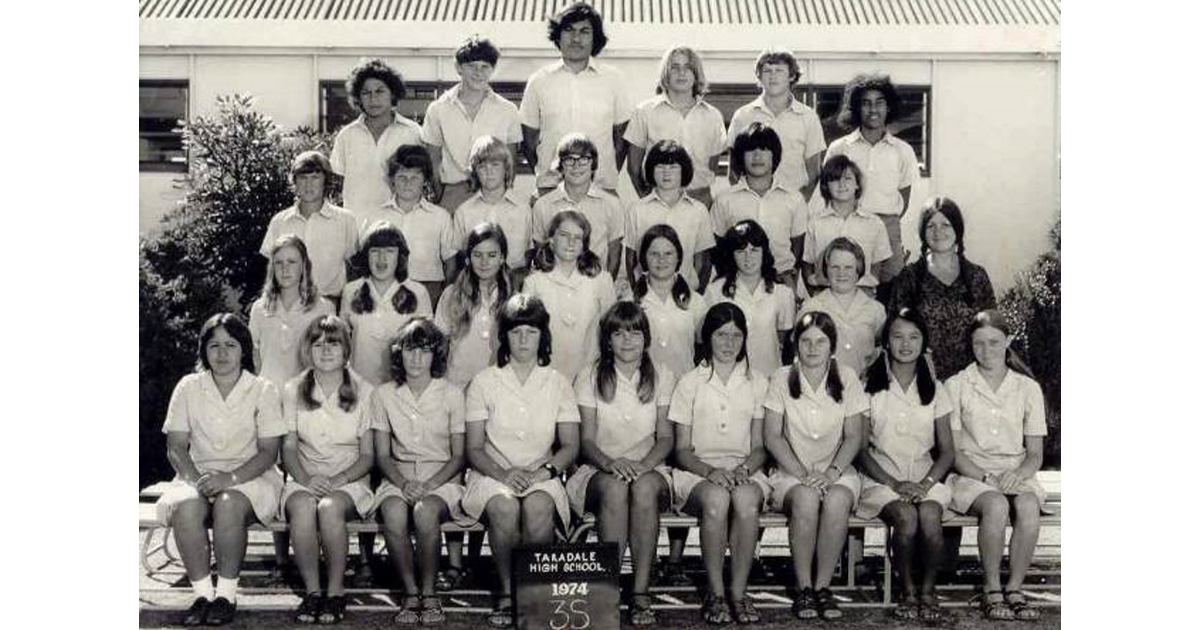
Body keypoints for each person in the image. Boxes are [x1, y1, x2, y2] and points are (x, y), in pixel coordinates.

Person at [156, 313, 286, 626]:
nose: (223, 353)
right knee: (185, 507)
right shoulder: (188, 386)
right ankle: (202, 595)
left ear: (244, 350)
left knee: (228, 505)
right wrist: (195, 480)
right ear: (204, 351)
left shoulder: (262, 389)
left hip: (251, 479)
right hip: (197, 476)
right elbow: (176, 446)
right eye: (214, 346)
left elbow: (269, 453)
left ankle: (226, 596)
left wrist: (228, 479)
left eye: (231, 345)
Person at [461, 295, 581, 628]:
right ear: (505, 336)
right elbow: (474, 448)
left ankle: (533, 594)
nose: (524, 340)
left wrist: (544, 472)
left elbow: (570, 446)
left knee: (538, 507)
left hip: (542, 475)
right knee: (504, 507)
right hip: (491, 475)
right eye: (516, 332)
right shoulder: (484, 381)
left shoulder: (558, 382)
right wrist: (504, 474)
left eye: (532, 331)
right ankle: (507, 593)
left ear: (544, 336)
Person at [568, 302, 676, 626]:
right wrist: (611, 463)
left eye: (635, 332)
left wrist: (643, 466)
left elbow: (666, 438)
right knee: (616, 490)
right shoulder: (588, 375)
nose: (627, 341)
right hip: (599, 470)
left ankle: (640, 592)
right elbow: (585, 442)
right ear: (608, 340)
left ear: (646, 338)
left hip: (650, 468)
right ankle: (609, 590)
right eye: (618, 333)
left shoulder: (663, 375)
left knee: (642, 489)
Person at [668, 302, 770, 625]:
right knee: (716, 499)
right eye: (721, 335)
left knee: (746, 499)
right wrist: (710, 472)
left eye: (736, 336)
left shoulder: (758, 382)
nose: (729, 343)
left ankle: (738, 592)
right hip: (697, 473)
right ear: (707, 337)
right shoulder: (690, 382)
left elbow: (759, 447)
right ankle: (715, 592)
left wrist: (742, 471)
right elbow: (682, 450)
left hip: (744, 471)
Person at [762, 311, 867, 621]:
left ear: (832, 347)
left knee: (836, 501)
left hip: (837, 471)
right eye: (806, 341)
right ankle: (804, 588)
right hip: (792, 472)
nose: (812, 348)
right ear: (796, 344)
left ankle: (823, 587)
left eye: (820, 342)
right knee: (807, 500)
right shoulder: (782, 377)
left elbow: (853, 437)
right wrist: (804, 474)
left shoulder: (847, 378)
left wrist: (831, 474)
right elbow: (772, 436)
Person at [945, 310, 1048, 622]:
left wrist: (1017, 476)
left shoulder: (1027, 388)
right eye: (979, 344)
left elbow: (1034, 454)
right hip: (970, 474)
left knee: (1028, 506)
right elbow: (954, 451)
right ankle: (991, 588)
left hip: (1016, 472)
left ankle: (1014, 589)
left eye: (994, 342)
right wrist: (987, 477)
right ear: (970, 345)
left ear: (1008, 341)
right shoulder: (957, 385)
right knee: (996, 505)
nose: (986, 351)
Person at [370, 318, 472, 625]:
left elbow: (458, 456)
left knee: (425, 512)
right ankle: (410, 592)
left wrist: (428, 485)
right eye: (410, 350)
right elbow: (383, 455)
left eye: (425, 351)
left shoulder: (452, 394)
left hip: (441, 479)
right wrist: (403, 483)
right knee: (393, 513)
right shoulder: (383, 394)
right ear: (399, 353)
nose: (416, 358)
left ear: (436, 356)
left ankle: (430, 594)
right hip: (397, 478)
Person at [855, 308, 955, 622]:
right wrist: (894, 484)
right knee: (905, 516)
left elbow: (948, 452)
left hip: (925, 478)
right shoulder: (868, 387)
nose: (905, 344)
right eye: (897, 336)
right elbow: (860, 450)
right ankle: (907, 591)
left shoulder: (936, 389)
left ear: (924, 344)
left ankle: (928, 591)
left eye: (913, 337)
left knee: (929, 515)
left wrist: (925, 485)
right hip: (881, 479)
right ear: (885, 342)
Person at [280, 315, 375, 625]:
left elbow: (368, 455)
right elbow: (290, 448)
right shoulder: (293, 388)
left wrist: (338, 480)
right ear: (307, 350)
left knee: (330, 508)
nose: (325, 350)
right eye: (317, 344)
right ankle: (312, 593)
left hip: (349, 479)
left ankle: (335, 592)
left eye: (333, 343)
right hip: (305, 476)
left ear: (346, 349)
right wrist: (306, 479)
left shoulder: (365, 390)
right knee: (302, 508)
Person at [520, 1, 633, 195]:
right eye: (569, 30)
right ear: (558, 35)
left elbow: (621, 140)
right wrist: (545, 177)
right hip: (551, 190)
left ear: (594, 38)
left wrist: (603, 175)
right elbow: (528, 141)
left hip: (601, 189)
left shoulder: (614, 79)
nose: (576, 38)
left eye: (584, 31)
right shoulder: (539, 80)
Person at [825, 73, 919, 290]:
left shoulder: (902, 150)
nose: (873, 109)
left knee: (890, 292)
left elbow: (903, 200)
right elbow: (829, 194)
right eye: (866, 103)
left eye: (879, 103)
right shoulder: (840, 148)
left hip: (888, 229)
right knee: (848, 288)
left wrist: (881, 224)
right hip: (848, 226)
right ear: (856, 108)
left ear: (889, 108)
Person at [888, 196, 996, 378]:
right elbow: (894, 329)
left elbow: (991, 329)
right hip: (923, 378)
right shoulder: (910, 278)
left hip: (970, 380)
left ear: (957, 229)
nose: (938, 232)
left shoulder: (976, 276)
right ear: (923, 232)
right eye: (931, 226)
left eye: (946, 225)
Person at [422, 36, 522, 214]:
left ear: (493, 69)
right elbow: (432, 160)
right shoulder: (437, 109)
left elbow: (510, 162)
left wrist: (500, 194)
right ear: (459, 68)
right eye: (472, 66)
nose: (478, 72)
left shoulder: (508, 110)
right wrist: (441, 196)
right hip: (452, 194)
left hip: (493, 196)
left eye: (485, 67)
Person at [624, 45, 726, 208]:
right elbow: (634, 167)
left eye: (688, 67)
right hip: (659, 200)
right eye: (675, 67)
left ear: (696, 74)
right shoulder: (644, 112)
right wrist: (647, 198)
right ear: (666, 73)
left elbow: (712, 166)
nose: (681, 73)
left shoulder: (712, 115)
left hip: (700, 201)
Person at [358, 145, 459, 306]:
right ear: (392, 180)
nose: (408, 183)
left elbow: (451, 264)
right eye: (401, 177)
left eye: (414, 178)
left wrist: (442, 300)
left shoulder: (440, 217)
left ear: (425, 180)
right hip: (384, 289)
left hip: (428, 289)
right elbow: (362, 259)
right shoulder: (375, 216)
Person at [711, 123, 808, 291]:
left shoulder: (794, 199)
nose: (757, 156)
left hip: (781, 281)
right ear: (741, 157)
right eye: (750, 150)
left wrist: (789, 278)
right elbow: (716, 246)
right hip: (738, 282)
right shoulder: (725, 200)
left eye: (764, 149)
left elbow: (798, 247)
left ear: (775, 156)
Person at [523, 210, 618, 380]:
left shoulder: (602, 280)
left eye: (578, 238)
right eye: (564, 235)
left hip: (590, 376)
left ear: (584, 245)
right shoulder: (534, 283)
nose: (571, 242)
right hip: (546, 375)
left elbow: (611, 333)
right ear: (551, 240)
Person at [260, 151, 359, 308]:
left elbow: (354, 269)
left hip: (331, 305)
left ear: (325, 181)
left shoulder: (346, 220)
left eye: (315, 178)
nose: (308, 184)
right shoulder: (279, 221)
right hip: (289, 306)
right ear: (295, 182)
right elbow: (271, 270)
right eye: (303, 178)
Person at [339, 221, 432, 386]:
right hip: (359, 386)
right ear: (366, 255)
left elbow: (426, 349)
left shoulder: (418, 292)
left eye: (389, 251)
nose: (381, 259)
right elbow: (342, 344)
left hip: (401, 388)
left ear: (400, 256)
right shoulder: (350, 291)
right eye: (375, 251)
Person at [726, 49, 826, 201]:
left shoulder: (808, 117)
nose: (773, 76)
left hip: (793, 206)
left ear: (792, 76)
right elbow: (733, 171)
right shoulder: (743, 116)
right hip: (751, 204)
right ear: (759, 76)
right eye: (767, 71)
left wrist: (798, 204)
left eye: (779, 70)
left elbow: (814, 173)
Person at [332, 58, 423, 220]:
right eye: (366, 93)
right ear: (358, 97)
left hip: (401, 226)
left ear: (392, 93)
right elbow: (337, 184)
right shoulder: (346, 136)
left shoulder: (413, 133)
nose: (373, 99)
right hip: (357, 227)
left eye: (380, 91)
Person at [706, 220, 796, 378]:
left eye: (754, 250)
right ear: (732, 254)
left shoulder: (782, 293)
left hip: (769, 376)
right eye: (741, 251)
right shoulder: (715, 291)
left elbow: (782, 339)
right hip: (727, 379)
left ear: (764, 252)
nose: (748, 258)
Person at [624, 140, 715, 292]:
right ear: (651, 170)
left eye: (673, 167)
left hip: (686, 295)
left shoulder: (698, 211)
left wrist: (693, 296)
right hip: (648, 296)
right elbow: (630, 260)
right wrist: (639, 294)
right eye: (660, 166)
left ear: (684, 171)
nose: (666, 172)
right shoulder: (636, 209)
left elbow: (703, 262)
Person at [250, 234, 337, 392]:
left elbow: (331, 358)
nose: (285, 269)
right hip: (269, 398)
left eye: (292, 262)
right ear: (272, 268)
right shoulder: (259, 308)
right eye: (279, 263)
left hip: (307, 397)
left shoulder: (323, 308)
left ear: (303, 266)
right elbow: (254, 355)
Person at [530, 133, 624, 278]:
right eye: (569, 160)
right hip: (555, 286)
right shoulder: (543, 205)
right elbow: (540, 252)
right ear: (560, 165)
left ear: (594, 164)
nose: (576, 166)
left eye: (584, 159)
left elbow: (615, 253)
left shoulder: (611, 204)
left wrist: (605, 289)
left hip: (595, 286)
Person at [436, 222, 515, 389]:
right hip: (457, 383)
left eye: (492, 255)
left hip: (498, 386)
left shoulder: (512, 297)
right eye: (477, 255)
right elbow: (439, 343)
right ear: (467, 258)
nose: (484, 262)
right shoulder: (452, 294)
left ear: (502, 258)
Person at [451, 136, 534, 287]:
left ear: (506, 168)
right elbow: (460, 258)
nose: (489, 171)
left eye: (495, 165)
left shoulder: (523, 209)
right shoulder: (463, 212)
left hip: (515, 283)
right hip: (475, 285)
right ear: (475, 172)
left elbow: (529, 255)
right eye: (482, 166)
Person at [801, 155, 891, 294]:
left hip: (862, 296)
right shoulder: (815, 223)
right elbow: (807, 264)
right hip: (825, 295)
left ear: (857, 185)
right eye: (835, 179)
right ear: (826, 185)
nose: (842, 184)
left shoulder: (874, 223)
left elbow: (876, 268)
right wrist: (815, 293)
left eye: (848, 178)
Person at [798, 238, 887, 376]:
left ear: (858, 271)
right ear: (826, 270)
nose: (841, 273)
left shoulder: (876, 310)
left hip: (862, 389)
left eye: (848, 267)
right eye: (835, 267)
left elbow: (879, 350)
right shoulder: (810, 307)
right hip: (824, 390)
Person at [631, 224, 707, 378]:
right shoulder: (630, 301)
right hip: (643, 389)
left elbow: (704, 348)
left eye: (668, 253)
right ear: (644, 257)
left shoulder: (696, 302)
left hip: (684, 389)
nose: (661, 260)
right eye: (654, 254)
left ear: (679, 256)